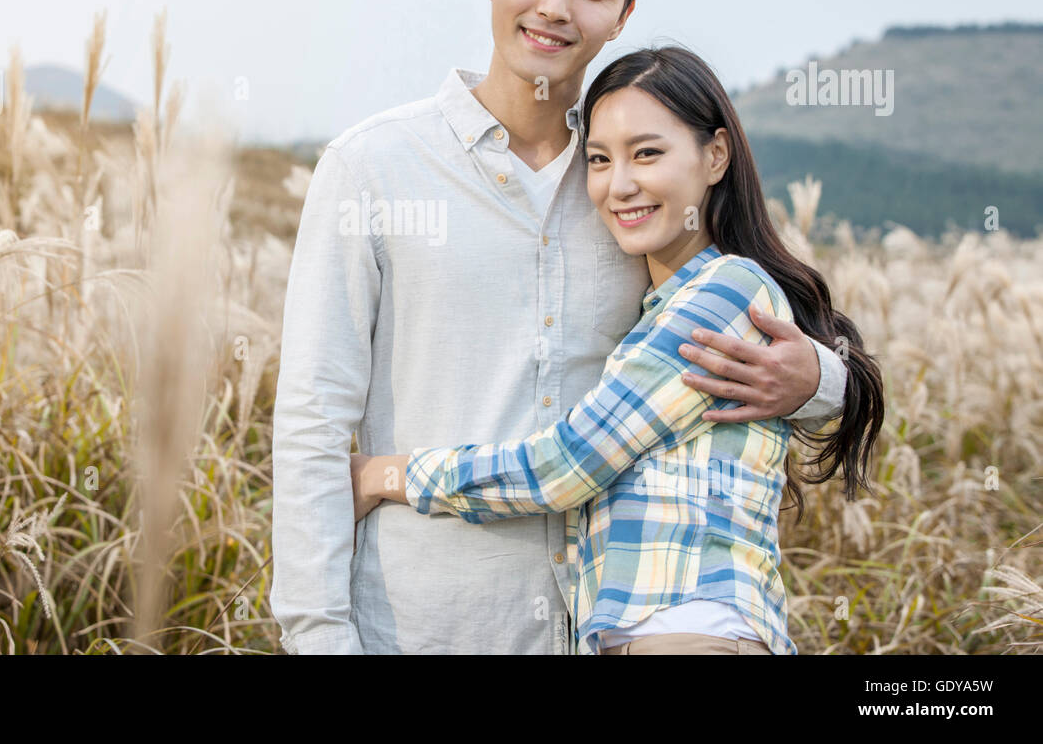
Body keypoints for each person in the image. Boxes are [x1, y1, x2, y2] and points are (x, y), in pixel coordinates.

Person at [270, 0, 848, 655]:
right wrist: (318, 637)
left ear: (622, 14)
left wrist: (817, 379)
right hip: (414, 629)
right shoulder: (372, 168)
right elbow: (313, 423)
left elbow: (774, 347)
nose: (553, 5)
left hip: (594, 632)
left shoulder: (630, 191)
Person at [349, 45, 885, 655]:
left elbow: (564, 467)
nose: (620, 184)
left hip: (690, 634)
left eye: (648, 153)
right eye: (600, 159)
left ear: (715, 156)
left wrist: (386, 473)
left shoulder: (725, 294)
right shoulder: (663, 306)